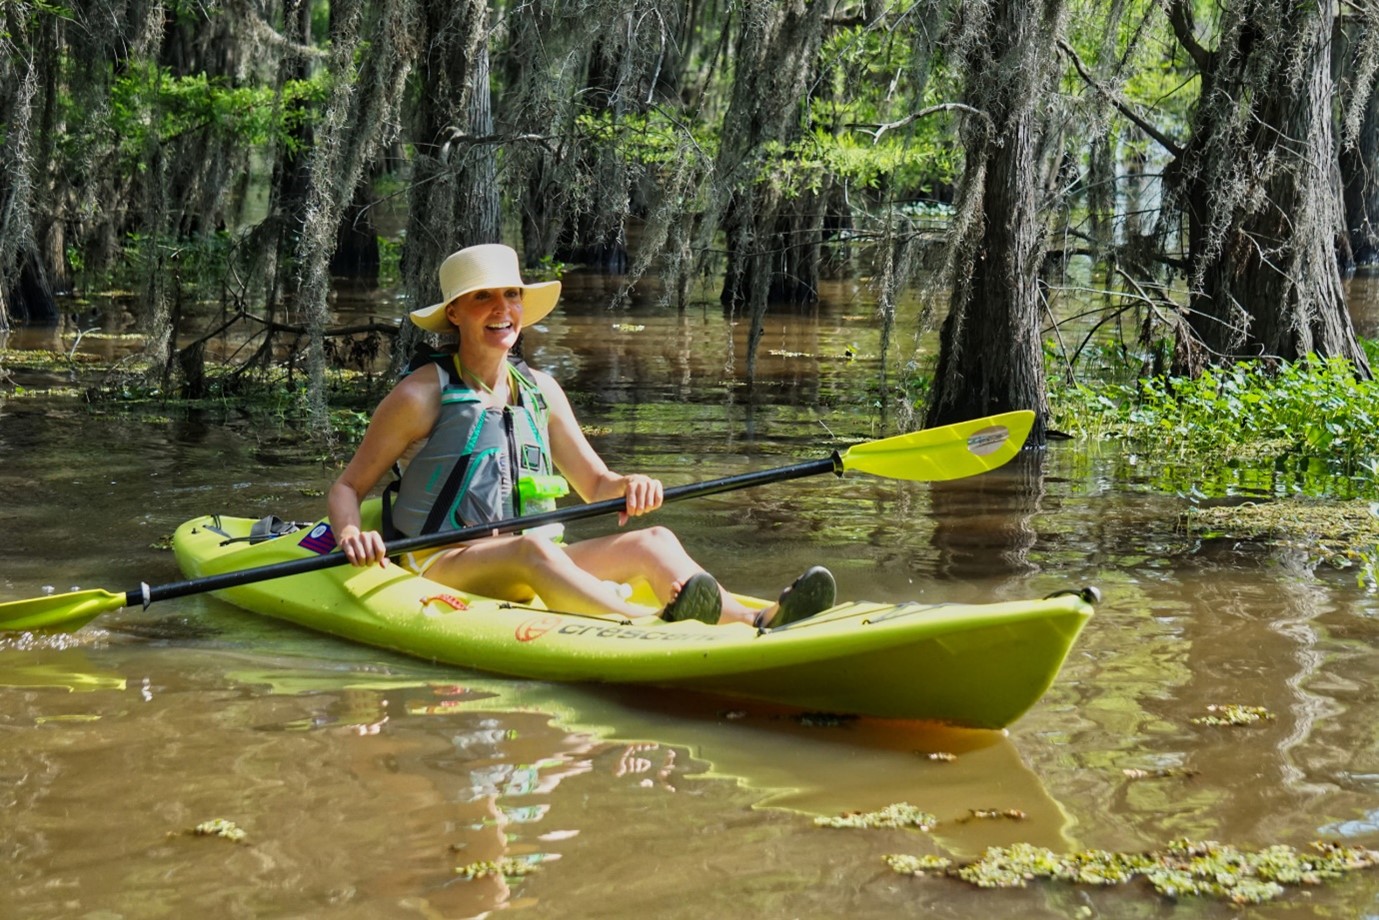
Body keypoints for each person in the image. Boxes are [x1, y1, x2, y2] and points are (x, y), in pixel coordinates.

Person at [328, 243, 835, 627]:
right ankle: (646, 627)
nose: (501, 308)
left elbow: (596, 484)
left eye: (510, 294)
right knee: (535, 551)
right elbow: (348, 487)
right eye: (482, 297)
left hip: (530, 557)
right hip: (442, 563)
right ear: (455, 313)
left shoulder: (541, 390)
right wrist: (351, 533)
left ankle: (757, 621)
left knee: (654, 539)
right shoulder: (422, 395)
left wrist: (630, 484)